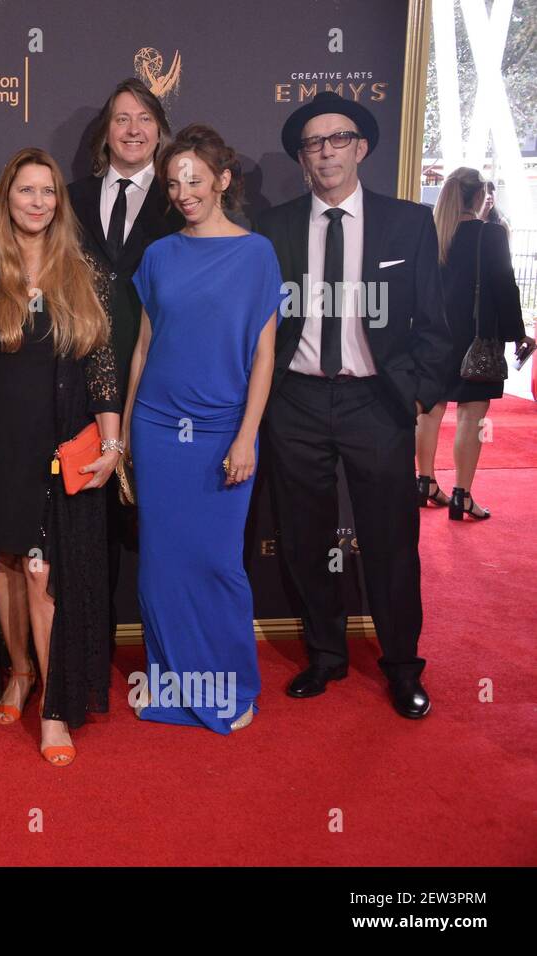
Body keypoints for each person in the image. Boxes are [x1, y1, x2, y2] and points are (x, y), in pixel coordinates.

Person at [256, 91, 454, 718]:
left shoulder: (407, 222)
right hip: (297, 401)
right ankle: (326, 656)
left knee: (391, 539)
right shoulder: (274, 227)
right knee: (305, 537)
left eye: (339, 138)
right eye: (314, 142)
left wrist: (418, 395)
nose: (326, 151)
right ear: (302, 157)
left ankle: (401, 665)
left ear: (361, 147)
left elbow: (437, 322)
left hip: (378, 401)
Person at [0, 147, 122, 767]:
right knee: (4, 564)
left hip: (54, 448)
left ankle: (54, 708)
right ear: (6, 198)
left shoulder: (83, 271)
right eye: (25, 191)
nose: (37, 201)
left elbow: (102, 370)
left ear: (59, 202)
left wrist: (113, 444)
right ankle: (17, 672)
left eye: (48, 192)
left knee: (42, 573)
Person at [122, 124, 282, 733]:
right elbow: (141, 349)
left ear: (223, 179)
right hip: (159, 429)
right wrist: (130, 435)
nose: (184, 192)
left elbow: (264, 356)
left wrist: (246, 435)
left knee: (217, 564)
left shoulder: (256, 254)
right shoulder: (159, 256)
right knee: (161, 565)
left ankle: (231, 686)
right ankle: (170, 685)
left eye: (194, 179)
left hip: (221, 430)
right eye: (173, 182)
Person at [68, 80, 185, 648]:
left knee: (157, 525)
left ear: (159, 130)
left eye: (144, 118)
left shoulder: (181, 198)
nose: (133, 129)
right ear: (105, 132)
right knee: (87, 524)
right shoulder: (70, 197)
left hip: (159, 383)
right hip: (76, 381)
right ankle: (90, 649)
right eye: (121, 118)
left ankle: (166, 648)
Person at [417, 168, 531, 520]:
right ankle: (462, 496)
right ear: (480, 196)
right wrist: (518, 333)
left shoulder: (431, 233)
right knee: (472, 417)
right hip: (477, 337)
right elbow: (504, 287)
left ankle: (424, 483)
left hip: (432, 336)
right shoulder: (490, 235)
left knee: (429, 410)